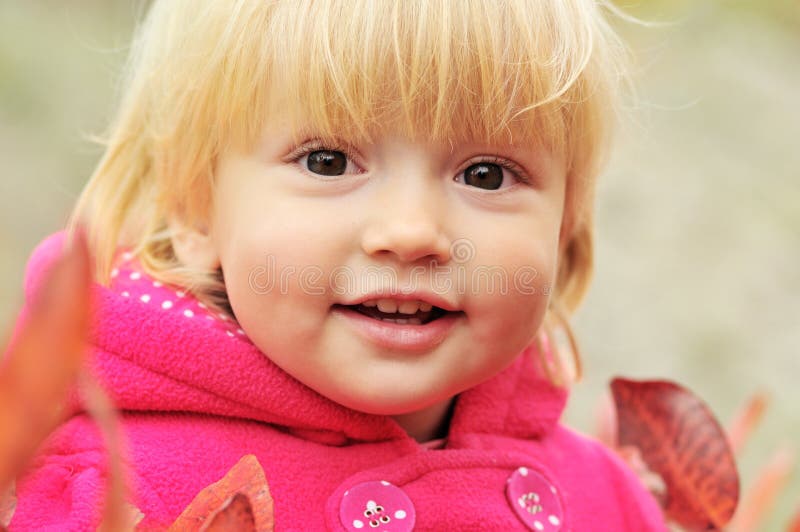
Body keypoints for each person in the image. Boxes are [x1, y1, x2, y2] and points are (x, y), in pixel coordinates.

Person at [9, 0, 666, 529]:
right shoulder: (118, 494)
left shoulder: (604, 497)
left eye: (487, 174)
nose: (411, 232)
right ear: (197, 210)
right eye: (328, 161)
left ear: (565, 231)